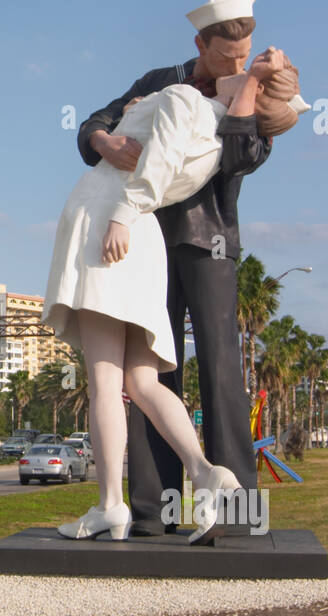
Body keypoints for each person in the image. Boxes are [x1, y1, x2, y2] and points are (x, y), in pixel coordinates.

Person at [42, 43, 307, 543]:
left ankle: (233, 513)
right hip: (147, 237)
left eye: (244, 57)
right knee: (147, 380)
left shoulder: (248, 103)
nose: (235, 61)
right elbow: (96, 121)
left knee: (220, 368)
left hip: (201, 239)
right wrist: (105, 141)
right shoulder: (163, 79)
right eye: (229, 52)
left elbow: (239, 156)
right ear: (203, 45)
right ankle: (153, 511)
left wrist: (248, 93)